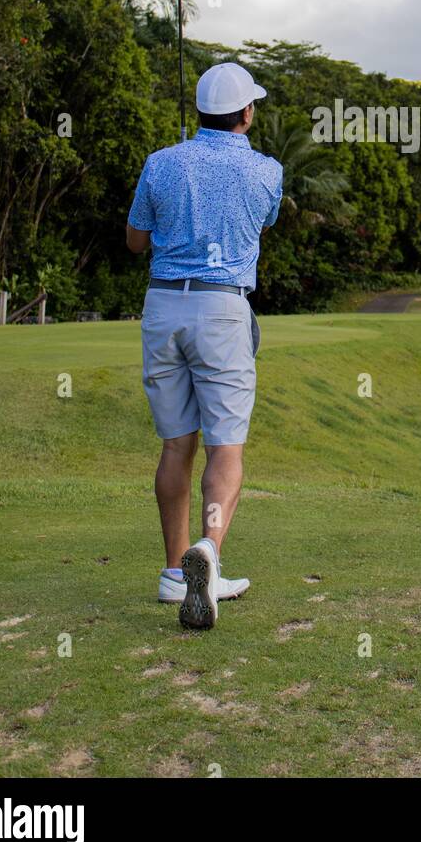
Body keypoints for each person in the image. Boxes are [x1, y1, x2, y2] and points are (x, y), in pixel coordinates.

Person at [125, 62, 283, 629]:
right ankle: (209, 553)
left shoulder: (160, 163)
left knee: (176, 446)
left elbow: (134, 241)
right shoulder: (266, 170)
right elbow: (261, 224)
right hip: (222, 308)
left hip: (164, 306)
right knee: (226, 449)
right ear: (245, 113)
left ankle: (175, 573)